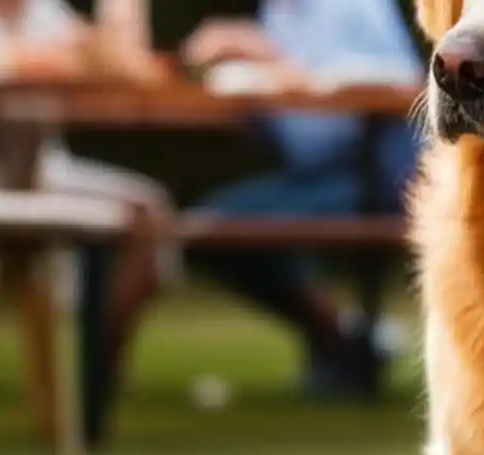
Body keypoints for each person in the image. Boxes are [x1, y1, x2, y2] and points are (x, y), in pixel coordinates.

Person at [106, 0, 423, 401]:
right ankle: (344, 339)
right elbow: (295, 125)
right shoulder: (278, 12)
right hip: (312, 175)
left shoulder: (354, 6)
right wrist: (240, 89)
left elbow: (401, 82)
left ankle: (346, 344)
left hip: (378, 174)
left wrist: (270, 58)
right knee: (202, 230)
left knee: (211, 229)